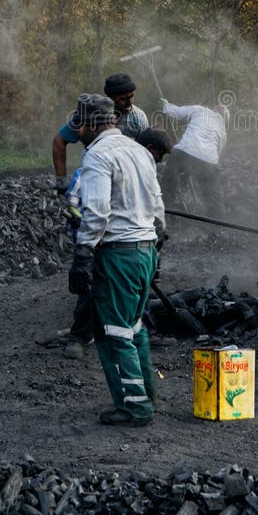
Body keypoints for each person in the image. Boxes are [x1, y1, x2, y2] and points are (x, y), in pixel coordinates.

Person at [68, 94, 165, 427]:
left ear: (93, 122)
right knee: (134, 327)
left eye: (80, 123)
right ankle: (146, 394)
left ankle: (135, 408)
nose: (77, 129)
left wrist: (82, 255)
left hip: (119, 254)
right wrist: (156, 243)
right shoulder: (138, 149)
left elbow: (95, 211)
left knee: (113, 332)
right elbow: (157, 203)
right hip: (145, 249)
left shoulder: (98, 156)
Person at [63, 126, 171, 359]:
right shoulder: (99, 162)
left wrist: (156, 236)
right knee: (90, 289)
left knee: (135, 289)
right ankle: (79, 337)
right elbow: (76, 204)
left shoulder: (140, 167)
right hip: (95, 240)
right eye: (159, 155)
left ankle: (141, 331)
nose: (159, 161)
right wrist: (87, 238)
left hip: (124, 241)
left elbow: (151, 205)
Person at [52, 72, 149, 195]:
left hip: (126, 180)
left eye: (132, 96)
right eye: (123, 99)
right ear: (110, 98)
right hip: (96, 173)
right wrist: (62, 181)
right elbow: (59, 141)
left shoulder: (139, 118)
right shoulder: (90, 114)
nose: (130, 102)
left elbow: (145, 155)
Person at [158, 99, 229, 217]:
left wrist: (165, 105)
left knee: (169, 180)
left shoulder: (200, 110)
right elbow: (217, 152)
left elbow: (177, 112)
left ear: (215, 109)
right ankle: (217, 223)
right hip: (208, 161)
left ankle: (165, 210)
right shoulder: (223, 131)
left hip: (184, 152)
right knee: (214, 197)